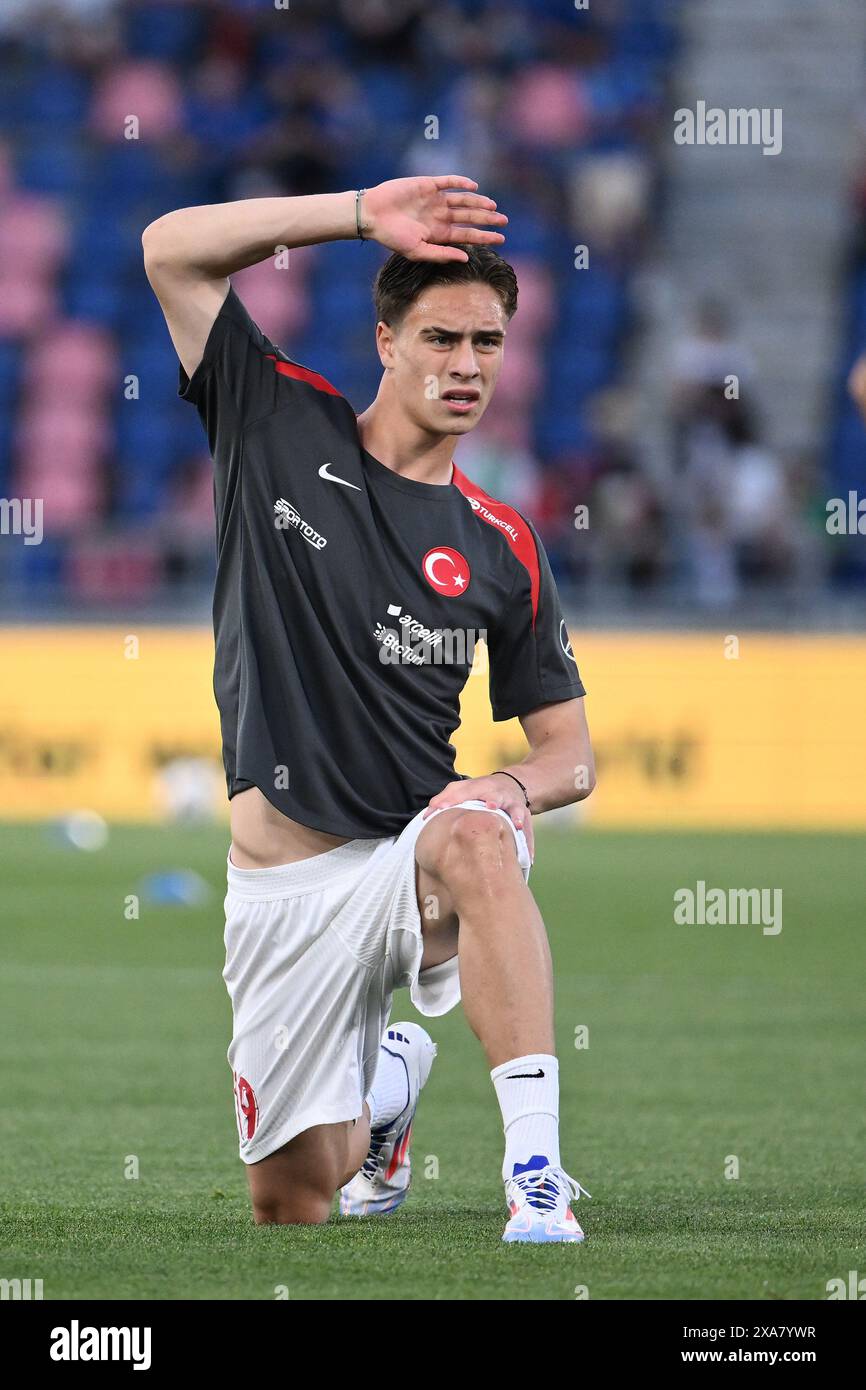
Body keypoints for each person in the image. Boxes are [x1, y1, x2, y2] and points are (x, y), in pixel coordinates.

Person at [142, 175, 596, 1243]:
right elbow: (170, 248)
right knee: (293, 1201)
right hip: (281, 888)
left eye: (487, 343)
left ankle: (534, 1173)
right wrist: (354, 213)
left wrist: (505, 784)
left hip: (412, 863)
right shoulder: (272, 421)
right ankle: (384, 1092)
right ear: (386, 339)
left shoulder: (502, 539)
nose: (466, 365)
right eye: (441, 338)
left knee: (477, 835)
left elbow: (567, 755)